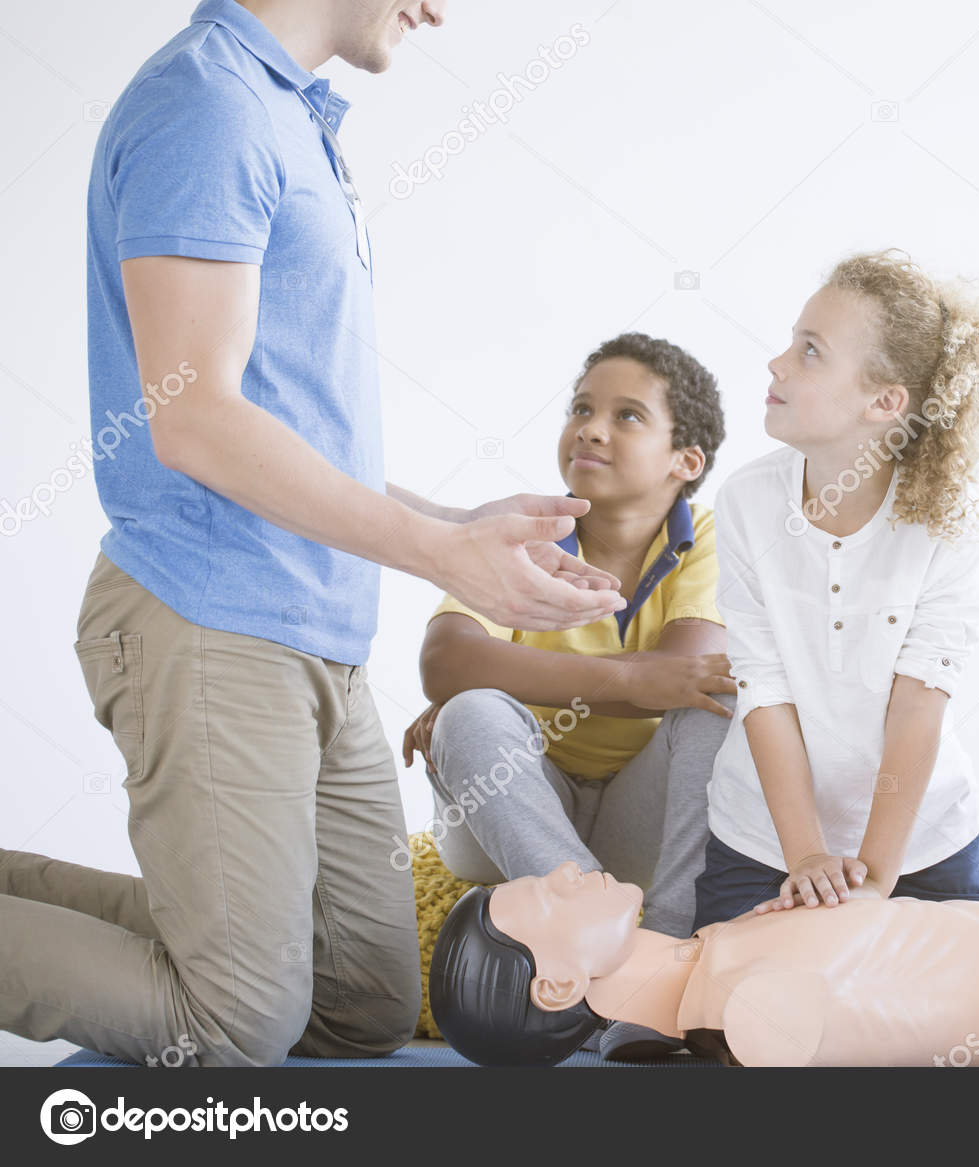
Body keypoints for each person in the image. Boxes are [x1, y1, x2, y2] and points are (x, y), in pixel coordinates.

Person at [0, 0, 627, 1068]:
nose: (439, 8)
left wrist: (453, 522)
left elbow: (275, 425)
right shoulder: (208, 107)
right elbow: (194, 417)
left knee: (359, 1005)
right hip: (209, 618)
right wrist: (435, 557)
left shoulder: (282, 116)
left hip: (312, 630)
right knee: (233, 1027)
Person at [402, 333, 736, 1058]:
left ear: (687, 463)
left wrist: (506, 669)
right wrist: (627, 678)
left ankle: (665, 956)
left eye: (627, 416)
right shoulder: (524, 534)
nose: (590, 427)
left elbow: (689, 673)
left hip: (637, 817)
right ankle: (598, 941)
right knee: (470, 715)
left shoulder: (711, 537)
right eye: (582, 408)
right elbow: (446, 659)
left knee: (717, 706)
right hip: (516, 821)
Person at [692, 249, 979, 933]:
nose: (777, 362)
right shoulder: (746, 502)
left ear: (885, 401)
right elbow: (764, 689)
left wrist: (874, 883)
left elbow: (917, 707)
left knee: (950, 1029)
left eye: (810, 352)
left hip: (918, 846)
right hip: (765, 838)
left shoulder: (954, 519)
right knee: (735, 1025)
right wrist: (805, 855)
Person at [429, 862, 979, 1067]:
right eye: (548, 893)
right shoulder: (749, 1016)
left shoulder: (722, 949)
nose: (567, 867)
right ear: (557, 985)